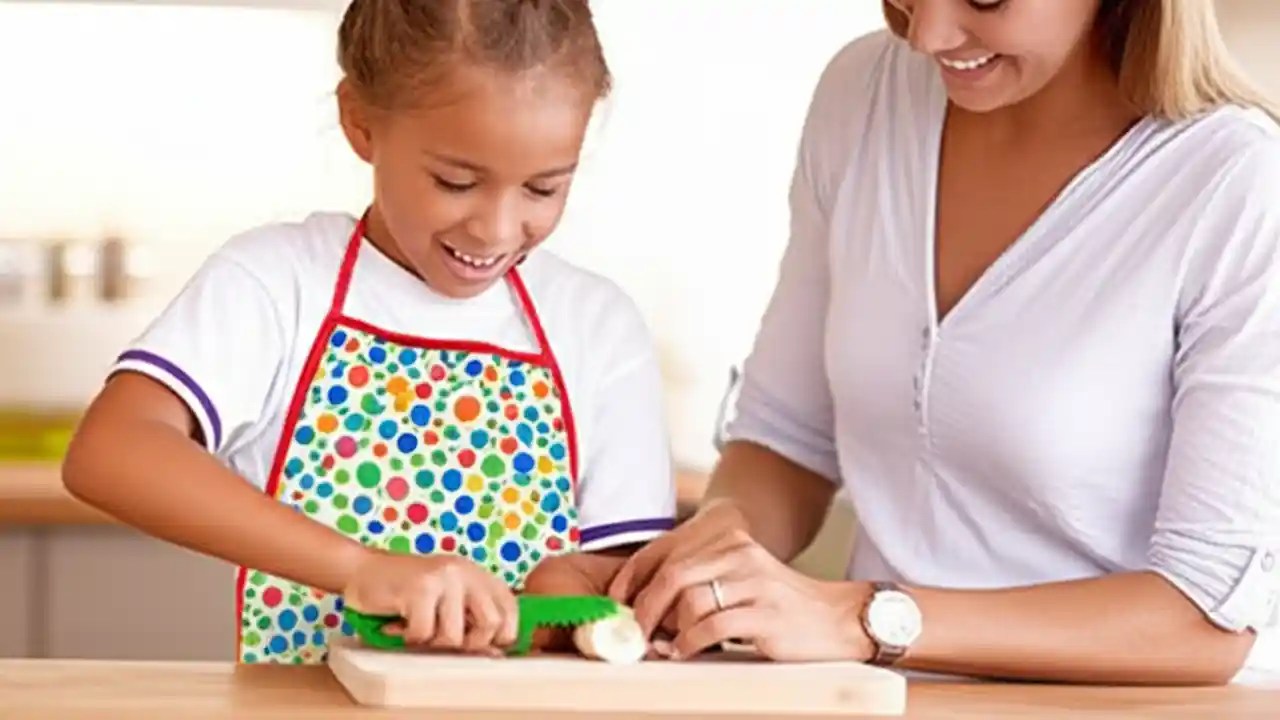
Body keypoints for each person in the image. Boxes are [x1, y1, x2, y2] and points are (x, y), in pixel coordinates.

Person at [610, 0, 1280, 685]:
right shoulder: (863, 93)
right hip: (877, 697)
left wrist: (860, 618)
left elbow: (1205, 614)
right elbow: (787, 438)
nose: (927, 34)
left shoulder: (1237, 183)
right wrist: (707, 559)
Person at [62, 0, 675, 664]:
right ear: (360, 122)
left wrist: (550, 600)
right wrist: (360, 568)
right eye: (456, 181)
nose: (497, 230)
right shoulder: (279, 282)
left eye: (543, 189)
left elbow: (617, 579)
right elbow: (111, 451)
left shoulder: (597, 327)